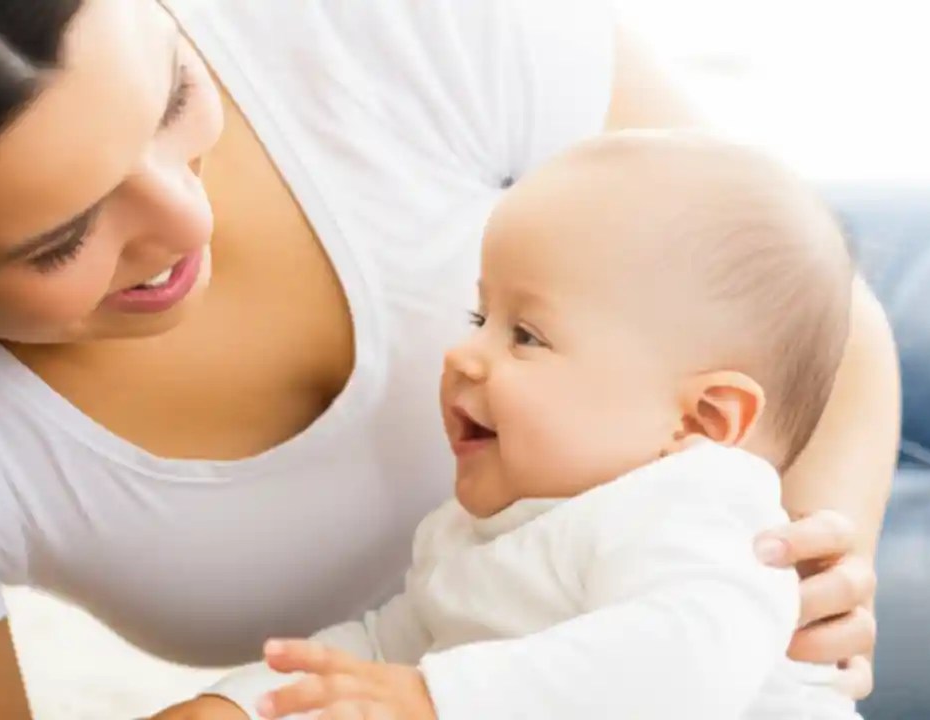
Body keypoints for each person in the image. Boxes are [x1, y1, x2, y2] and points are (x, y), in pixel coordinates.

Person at [0, 1, 894, 717]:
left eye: (175, 92)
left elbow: (816, 310)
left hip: (813, 378)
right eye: (65, 234)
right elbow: (396, 638)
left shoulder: (378, 27)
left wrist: (804, 566)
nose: (186, 225)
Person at [205, 132, 862, 720]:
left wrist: (439, 700)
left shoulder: (695, 510)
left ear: (699, 420)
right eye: (478, 318)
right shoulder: (483, 531)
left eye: (524, 335)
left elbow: (687, 656)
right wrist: (241, 703)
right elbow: (385, 651)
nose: (463, 355)